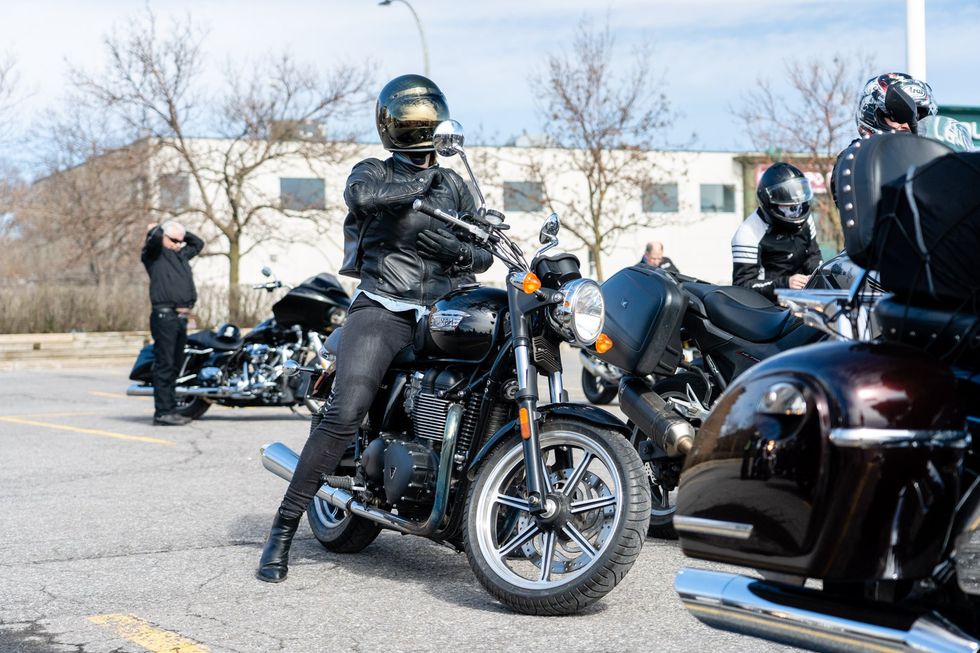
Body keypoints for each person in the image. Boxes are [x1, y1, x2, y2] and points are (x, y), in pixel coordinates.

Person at [256, 74, 492, 583]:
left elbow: (483, 250)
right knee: (345, 412)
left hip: (443, 309)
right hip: (384, 306)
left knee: (491, 385)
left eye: (426, 117)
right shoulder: (374, 171)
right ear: (391, 126)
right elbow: (362, 199)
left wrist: (447, 247)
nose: (420, 128)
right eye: (410, 120)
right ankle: (282, 528)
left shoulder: (457, 183)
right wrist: (420, 189)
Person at [141, 220, 204, 426]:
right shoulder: (154, 256)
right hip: (164, 317)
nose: (178, 244)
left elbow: (198, 244)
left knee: (176, 364)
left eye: (180, 241)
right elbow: (153, 241)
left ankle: (170, 407)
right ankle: (162, 412)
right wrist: (158, 229)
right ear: (163, 237)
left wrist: (180, 234)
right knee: (165, 365)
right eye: (174, 240)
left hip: (180, 319)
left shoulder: (180, 256)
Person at [731, 163, 821, 300]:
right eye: (790, 208)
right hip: (767, 306)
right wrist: (785, 284)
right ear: (770, 203)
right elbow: (742, 286)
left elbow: (813, 254)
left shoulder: (805, 217)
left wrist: (818, 275)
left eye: (798, 205)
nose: (796, 213)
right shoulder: (748, 233)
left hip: (803, 299)